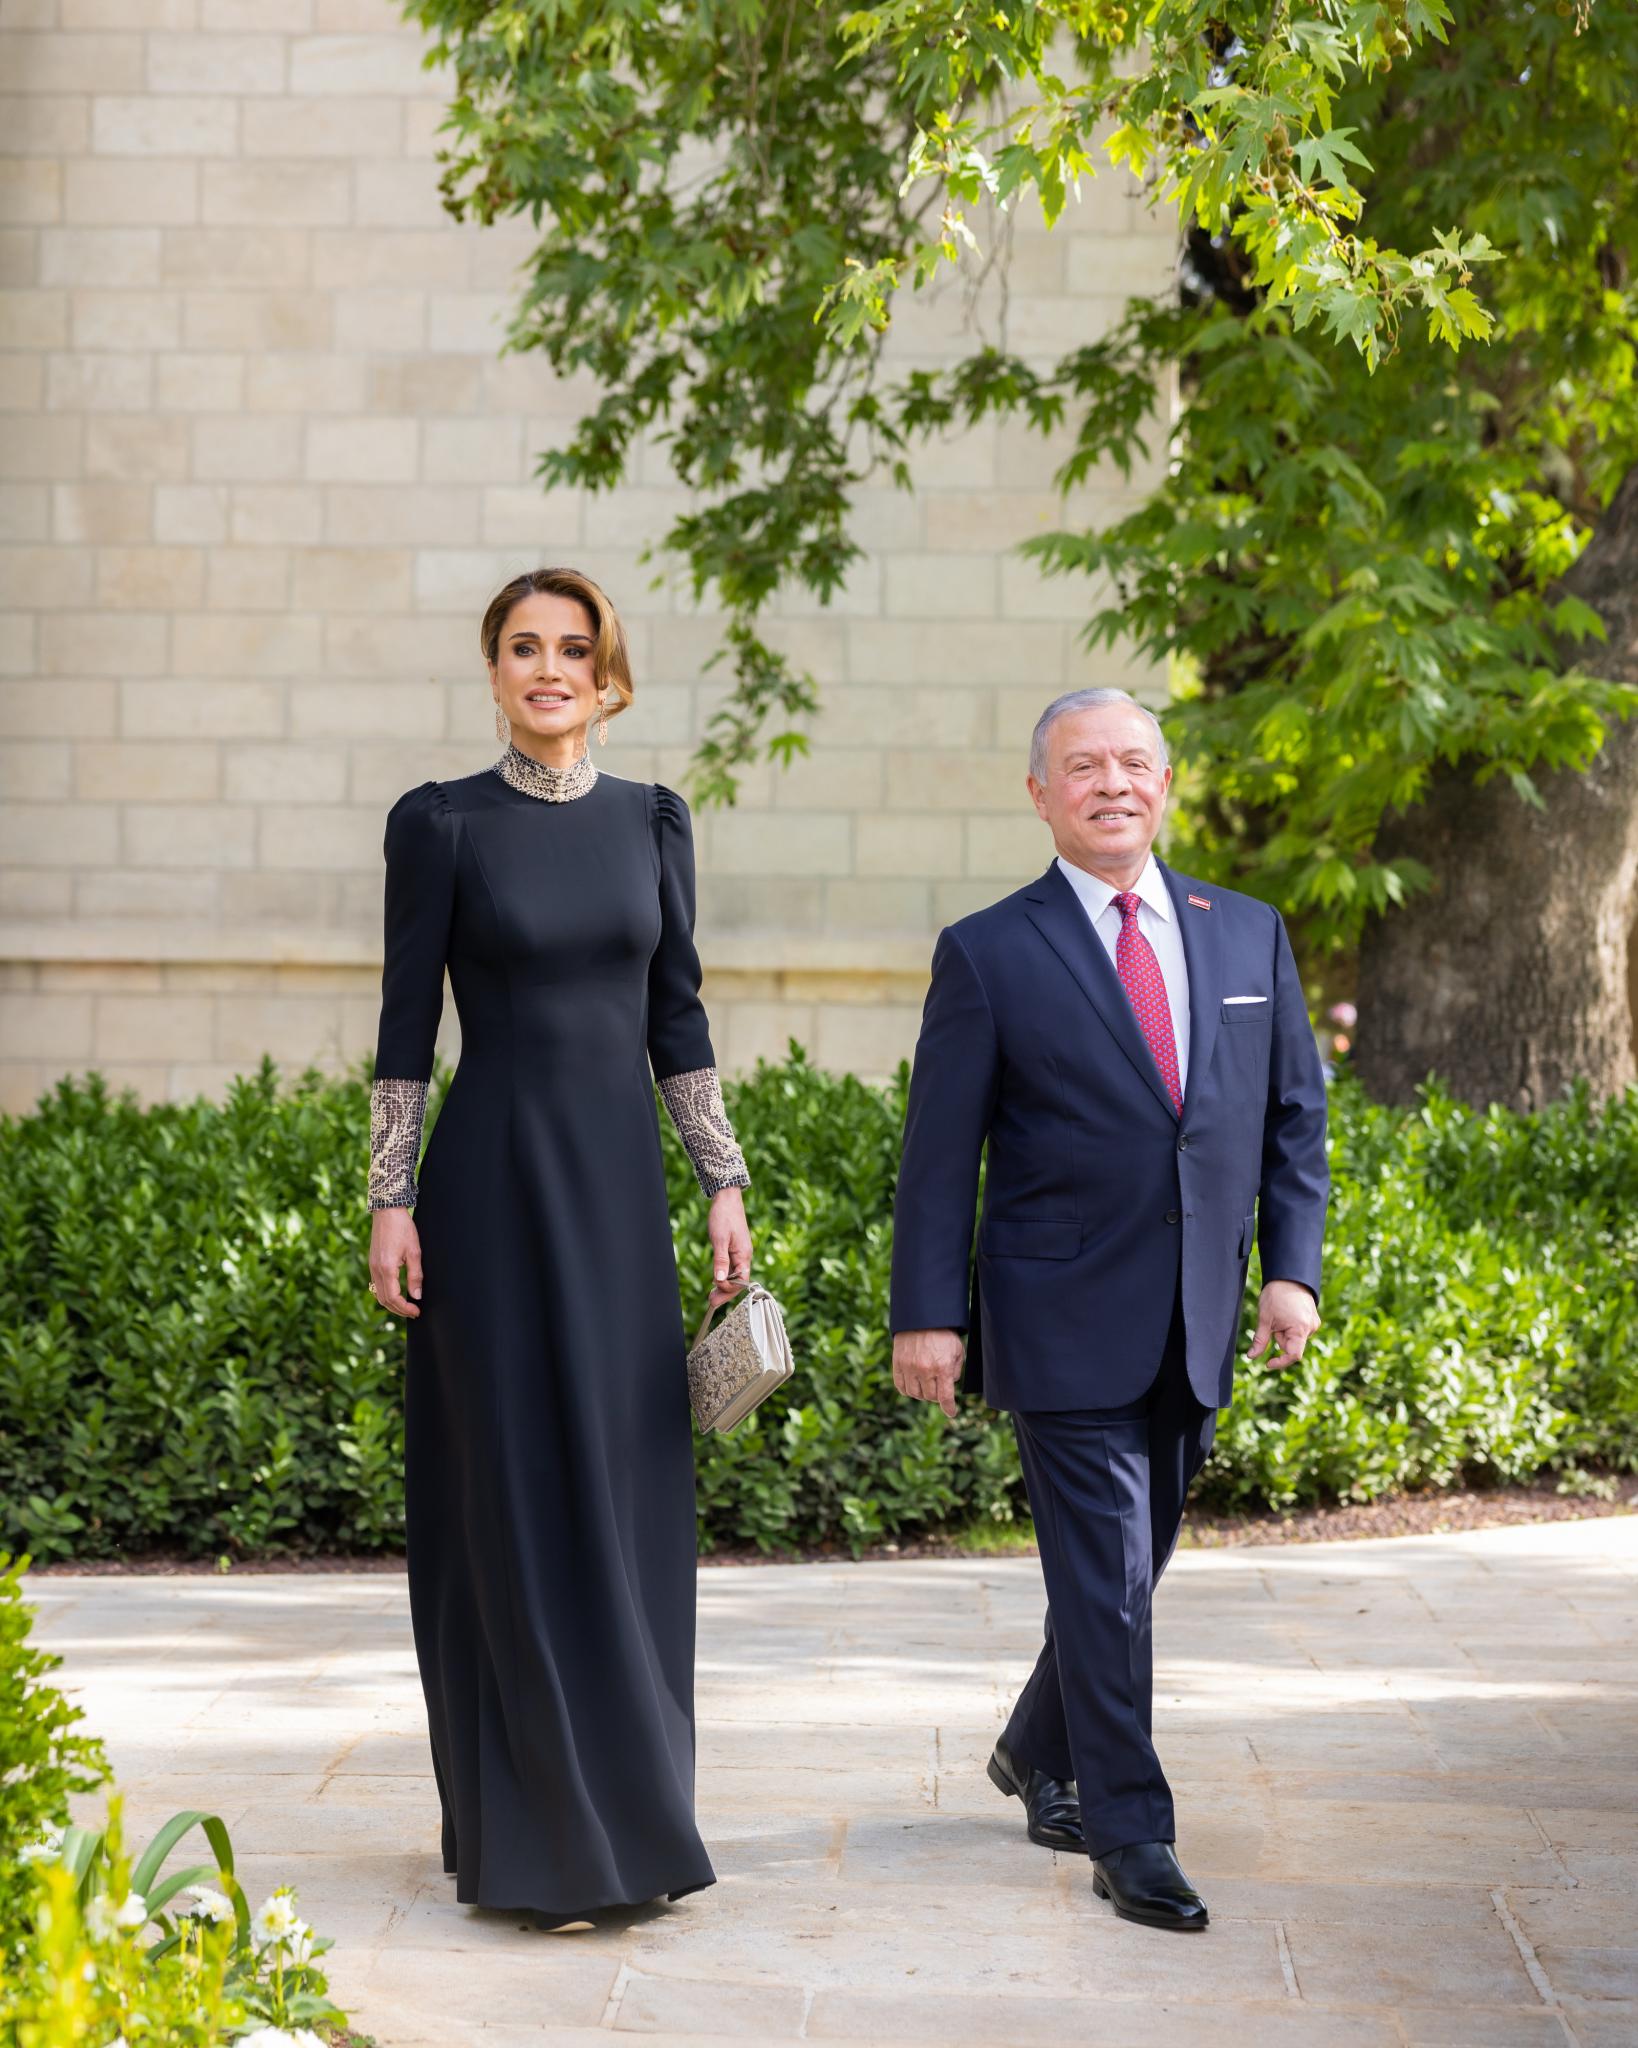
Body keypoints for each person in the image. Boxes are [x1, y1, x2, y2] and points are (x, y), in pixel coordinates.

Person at [889, 687, 1328, 1932]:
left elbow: (1294, 1116)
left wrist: (1290, 1269)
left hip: (1197, 1313)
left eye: (1135, 761)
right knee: (1110, 1577)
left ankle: (1037, 1742)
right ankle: (1131, 1829)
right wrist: (930, 1310)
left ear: (1169, 782)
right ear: (1041, 794)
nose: (1113, 783)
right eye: (1084, 767)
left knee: (1126, 1574)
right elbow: (940, 1151)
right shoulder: (990, 948)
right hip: (1057, 1311)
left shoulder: (1247, 933)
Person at [366, 566, 753, 1928]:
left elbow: (680, 1021)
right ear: (493, 672)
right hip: (489, 1197)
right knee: (516, 1499)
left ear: (605, 672)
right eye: (522, 648)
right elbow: (404, 1029)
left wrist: (722, 1184)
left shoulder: (653, 822)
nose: (547, 669)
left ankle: (637, 1820)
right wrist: (389, 1201)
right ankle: (534, 1837)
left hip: (616, 1206)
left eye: (571, 649)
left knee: (629, 1491)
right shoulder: (441, 826)